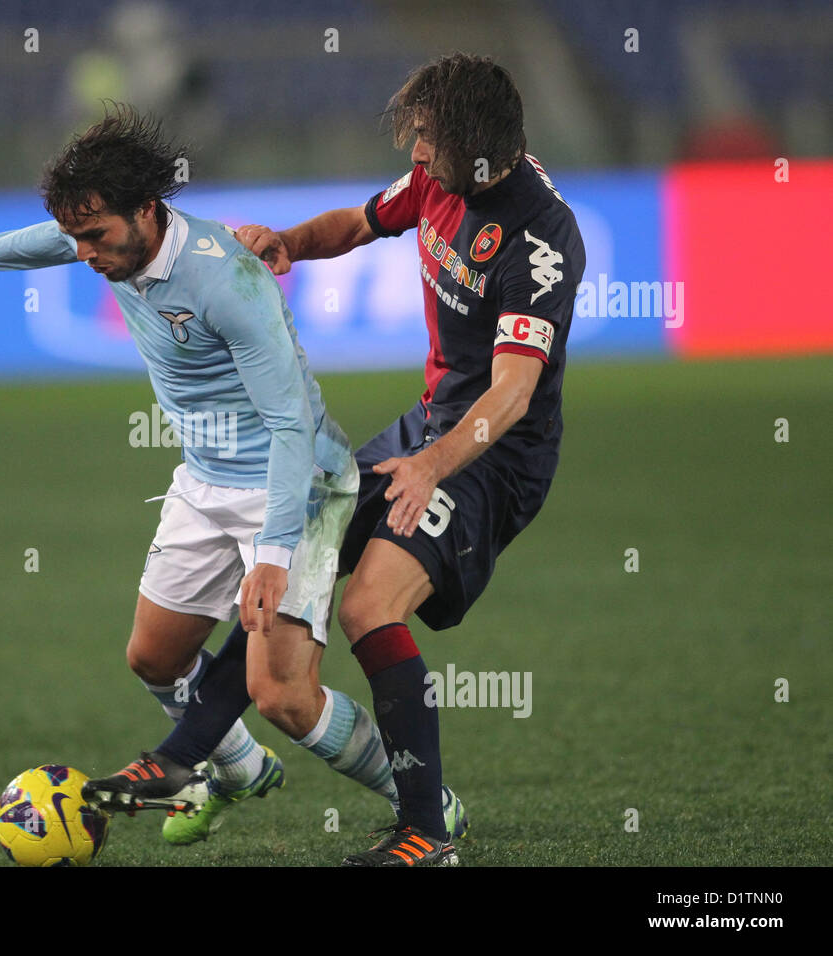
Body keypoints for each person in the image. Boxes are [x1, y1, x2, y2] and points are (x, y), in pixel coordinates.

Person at [114, 52, 585, 866]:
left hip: (493, 457)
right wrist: (287, 243)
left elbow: (511, 394)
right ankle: (187, 751)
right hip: (430, 426)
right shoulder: (437, 181)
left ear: (473, 144)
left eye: (428, 138)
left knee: (369, 605)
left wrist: (434, 464)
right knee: (299, 543)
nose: (416, 152)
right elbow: (362, 223)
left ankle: (426, 834)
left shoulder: (542, 238)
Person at [0, 104, 405, 843]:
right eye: (77, 235)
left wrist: (272, 555)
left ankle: (422, 801)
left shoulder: (228, 282)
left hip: (294, 486)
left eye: (95, 236)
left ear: (146, 212)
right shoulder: (111, 239)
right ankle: (236, 769)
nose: (83, 253)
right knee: (153, 656)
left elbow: (290, 425)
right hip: (204, 479)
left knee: (282, 696)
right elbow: (53, 238)